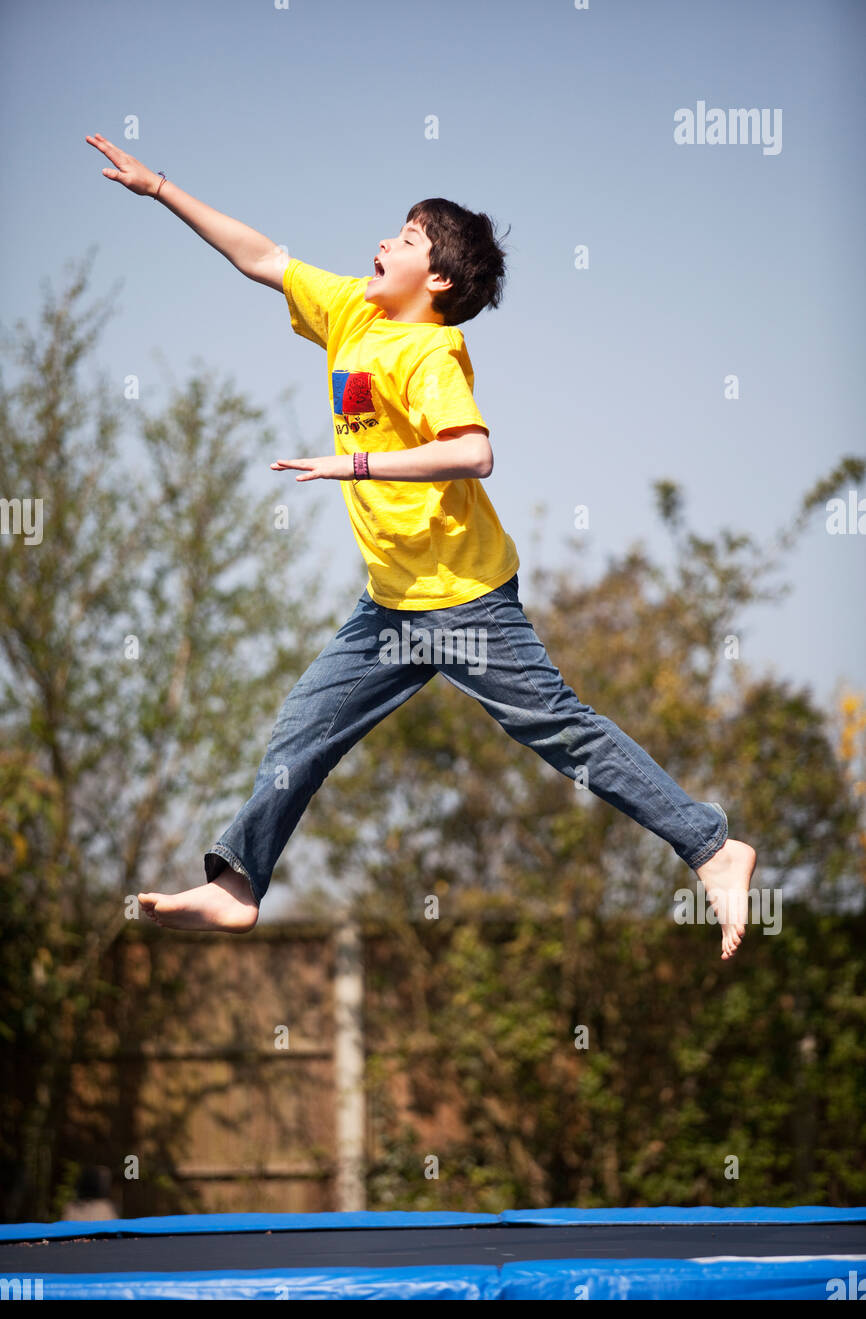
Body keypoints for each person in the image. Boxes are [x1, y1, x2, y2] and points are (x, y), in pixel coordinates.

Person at [86, 133, 756, 961]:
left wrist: (352, 462)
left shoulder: (432, 351)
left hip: (467, 597)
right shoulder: (351, 311)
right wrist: (160, 188)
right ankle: (237, 885)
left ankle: (713, 847)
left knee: (561, 732)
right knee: (304, 728)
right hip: (392, 609)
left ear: (436, 279)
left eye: (404, 239)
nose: (381, 244)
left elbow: (473, 452)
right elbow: (262, 258)